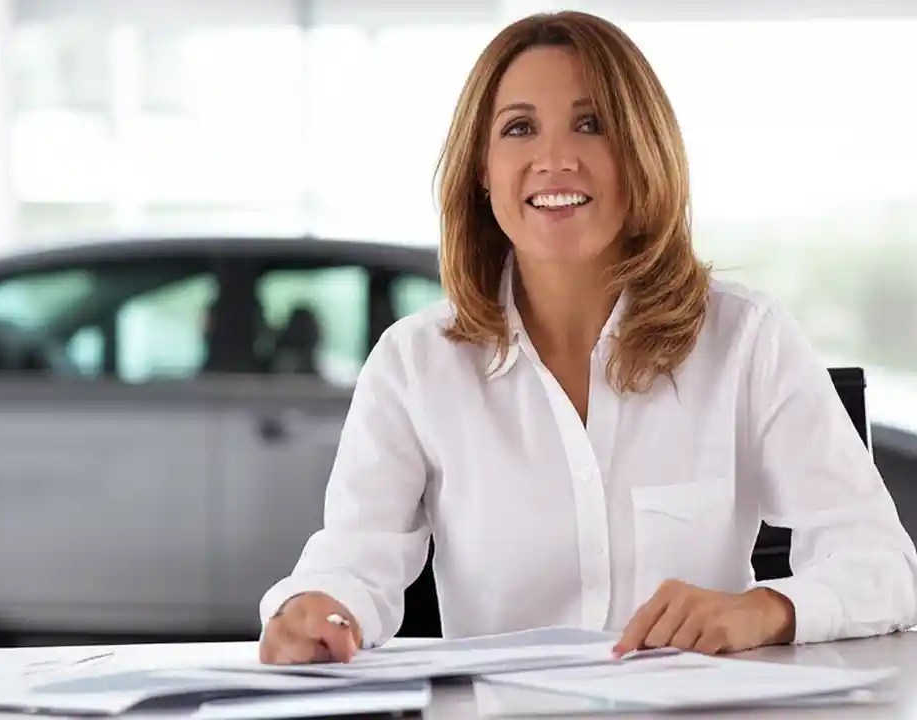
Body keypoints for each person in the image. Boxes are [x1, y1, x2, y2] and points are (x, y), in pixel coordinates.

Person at [257, 11, 917, 665]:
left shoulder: (747, 339)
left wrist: (765, 611)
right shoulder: (414, 363)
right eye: (519, 129)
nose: (555, 158)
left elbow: (882, 564)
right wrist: (319, 607)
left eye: (591, 124)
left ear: (639, 152)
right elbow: (352, 562)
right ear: (482, 170)